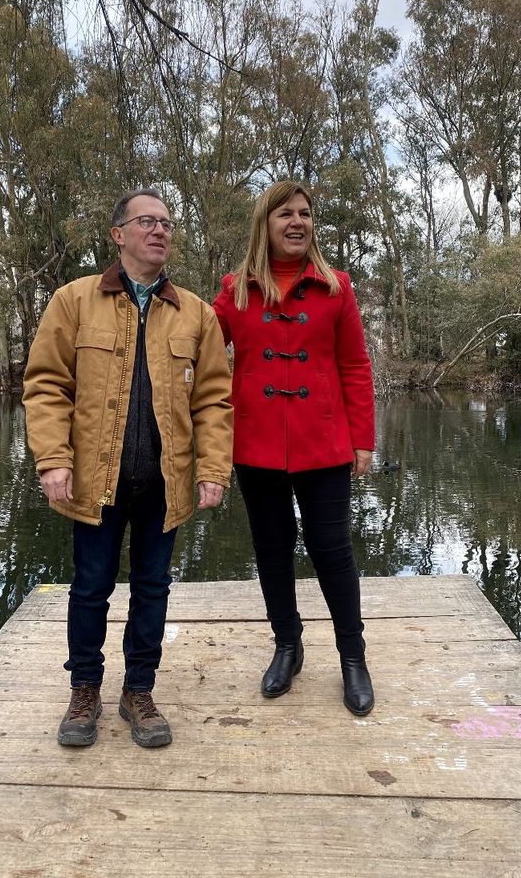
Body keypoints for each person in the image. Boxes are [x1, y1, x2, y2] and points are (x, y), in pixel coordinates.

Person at [23, 188, 233, 748]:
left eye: (167, 222)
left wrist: (214, 469)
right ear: (118, 234)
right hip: (96, 478)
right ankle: (85, 689)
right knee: (90, 588)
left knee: (153, 588)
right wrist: (52, 460)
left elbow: (213, 399)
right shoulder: (73, 301)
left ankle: (139, 690)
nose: (160, 230)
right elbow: (46, 386)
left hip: (164, 481)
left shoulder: (196, 314)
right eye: (147, 222)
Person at [213, 180, 375, 715]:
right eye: (286, 213)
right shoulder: (235, 291)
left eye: (305, 214)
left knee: (333, 553)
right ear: (266, 223)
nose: (297, 222)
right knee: (272, 552)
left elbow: (355, 365)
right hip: (255, 450)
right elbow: (196, 351)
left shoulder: (337, 288)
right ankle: (288, 644)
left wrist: (363, 442)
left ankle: (353, 657)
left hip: (325, 447)